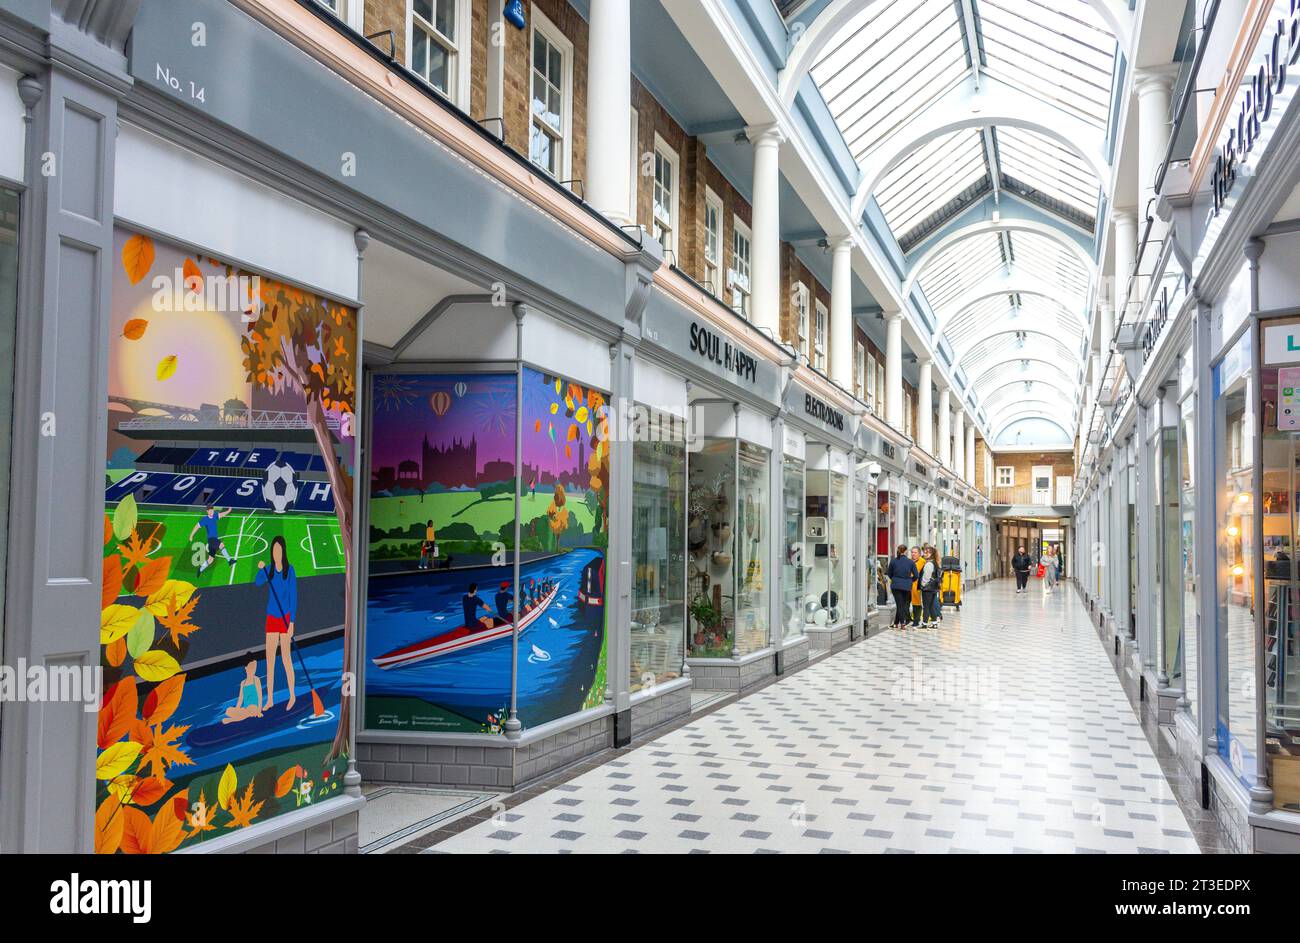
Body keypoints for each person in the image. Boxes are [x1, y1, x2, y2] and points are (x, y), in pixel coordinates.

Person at [255, 535, 297, 711]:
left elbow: (293, 596)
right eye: (274, 550)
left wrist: (292, 622)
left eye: (279, 550)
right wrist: (261, 569)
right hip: (271, 617)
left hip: (285, 617)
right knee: (270, 659)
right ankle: (270, 699)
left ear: (283, 551)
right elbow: (257, 583)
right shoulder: (269, 570)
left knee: (286, 657)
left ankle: (292, 695)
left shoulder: (290, 570)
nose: (276, 553)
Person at [189, 504, 235, 574]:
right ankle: (230, 561)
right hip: (211, 539)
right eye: (210, 511)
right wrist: (191, 536)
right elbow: (197, 526)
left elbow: (221, 515)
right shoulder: (205, 519)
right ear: (207, 511)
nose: (211, 512)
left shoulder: (215, 515)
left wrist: (228, 511)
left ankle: (200, 570)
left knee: (210, 560)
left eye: (212, 510)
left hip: (213, 540)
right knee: (221, 545)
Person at [887, 545, 918, 629]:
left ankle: (898, 623)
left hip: (896, 586)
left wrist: (895, 579)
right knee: (902, 604)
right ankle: (902, 623)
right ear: (905, 552)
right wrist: (910, 580)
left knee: (900, 604)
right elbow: (916, 575)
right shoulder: (911, 562)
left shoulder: (893, 561)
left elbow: (889, 573)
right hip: (906, 586)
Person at [919, 547, 941, 628]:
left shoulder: (929, 564)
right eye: (924, 552)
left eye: (926, 553)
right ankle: (934, 623)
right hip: (934, 588)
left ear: (931, 554)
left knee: (926, 606)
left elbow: (926, 577)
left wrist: (922, 585)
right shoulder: (935, 563)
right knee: (931, 605)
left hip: (927, 588)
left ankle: (924, 624)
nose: (924, 554)